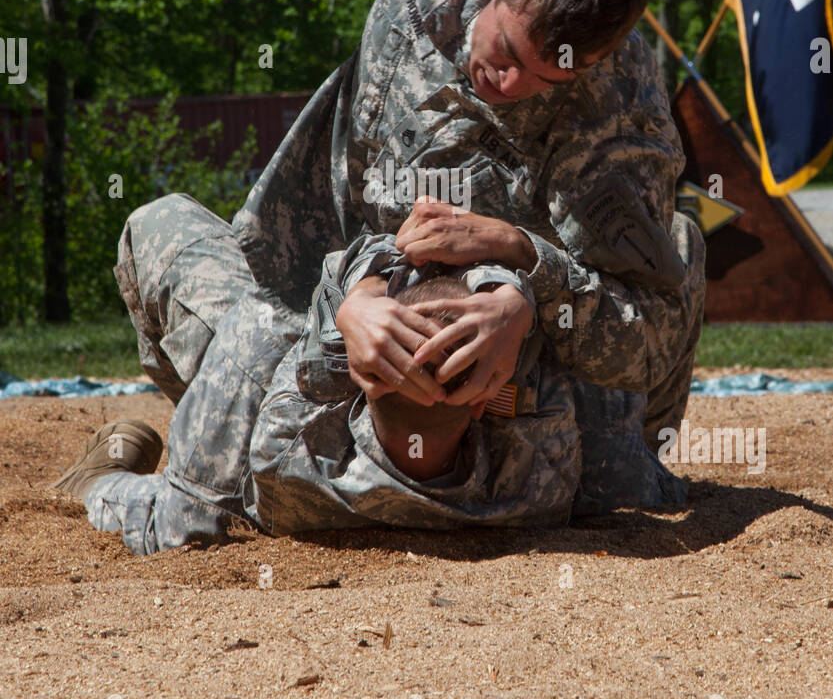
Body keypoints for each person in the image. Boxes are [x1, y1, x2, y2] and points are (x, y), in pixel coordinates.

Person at [107, 0, 705, 457]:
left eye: (548, 75)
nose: (507, 84)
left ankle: (590, 476)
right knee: (161, 237)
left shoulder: (617, 112)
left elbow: (646, 331)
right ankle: (274, 432)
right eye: (505, 49)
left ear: (593, 63)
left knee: (674, 255)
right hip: (312, 308)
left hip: (483, 375)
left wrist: (532, 295)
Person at [53, 196, 686, 551]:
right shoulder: (553, 479)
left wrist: (364, 286)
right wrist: (515, 275)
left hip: (234, 430)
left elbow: (276, 326)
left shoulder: (281, 450)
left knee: (158, 222)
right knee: (677, 238)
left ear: (354, 372)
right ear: (488, 398)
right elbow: (636, 322)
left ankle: (96, 480)